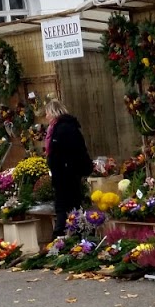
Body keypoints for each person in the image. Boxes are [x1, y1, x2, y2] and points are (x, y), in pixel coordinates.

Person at [44, 99, 91, 234]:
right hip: (64, 175)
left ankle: (59, 238)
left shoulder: (63, 128)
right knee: (71, 206)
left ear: (53, 112)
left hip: (66, 175)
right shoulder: (59, 127)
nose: (46, 116)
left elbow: (73, 151)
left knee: (64, 207)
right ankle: (76, 235)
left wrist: (66, 167)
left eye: (47, 113)